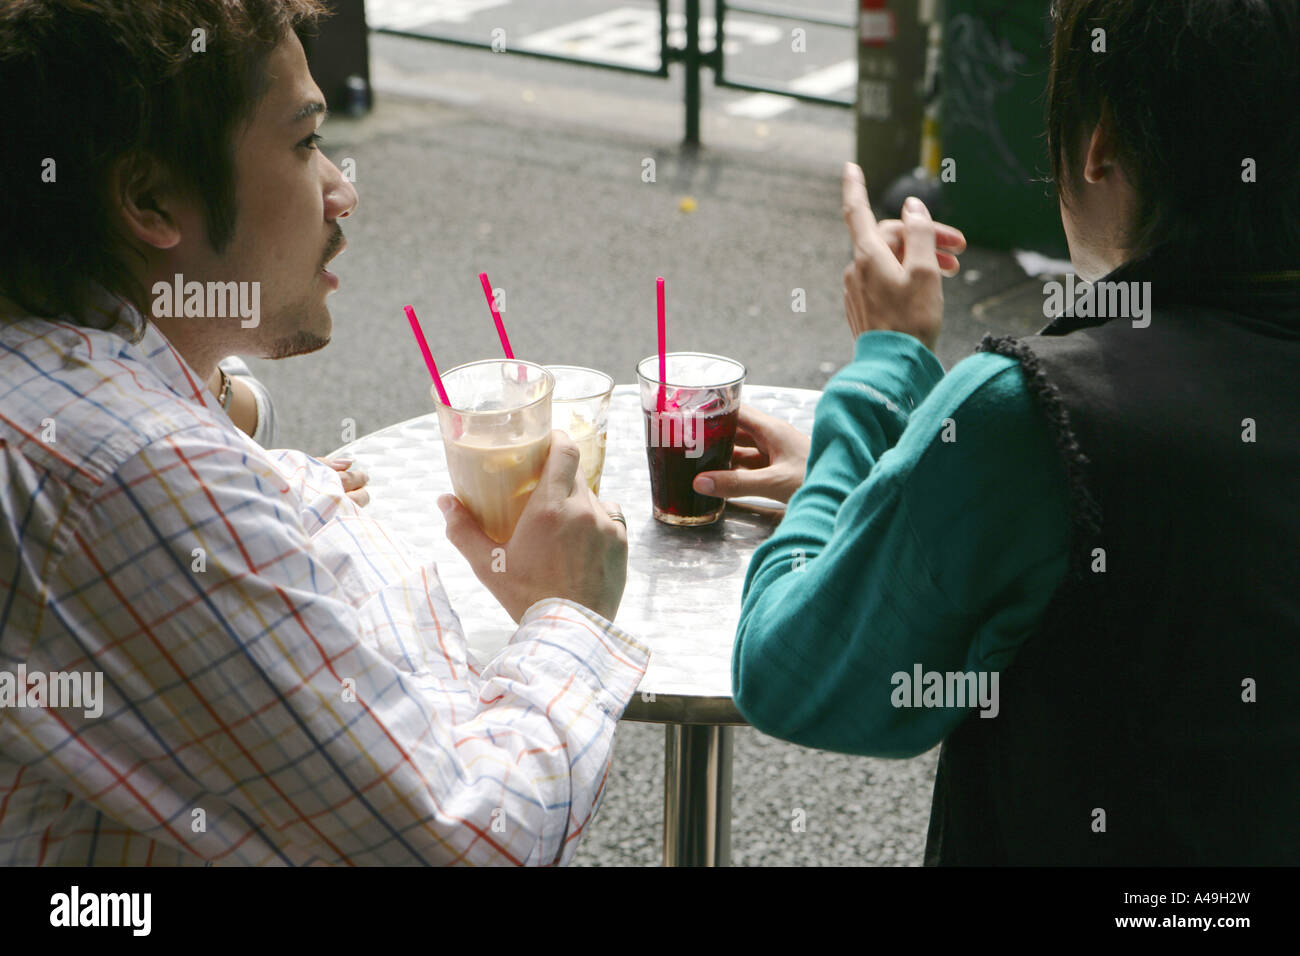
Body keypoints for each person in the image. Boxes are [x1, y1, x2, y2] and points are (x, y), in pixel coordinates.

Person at [0, 0, 643, 866]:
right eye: (305, 145)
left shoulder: (60, 366)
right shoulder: (134, 469)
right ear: (149, 197)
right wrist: (567, 612)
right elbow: (466, 843)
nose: (343, 190)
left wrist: (253, 454)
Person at [697, 0, 1300, 865]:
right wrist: (891, 490)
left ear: (1099, 143)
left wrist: (885, 365)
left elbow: (790, 672)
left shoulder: (1030, 416)